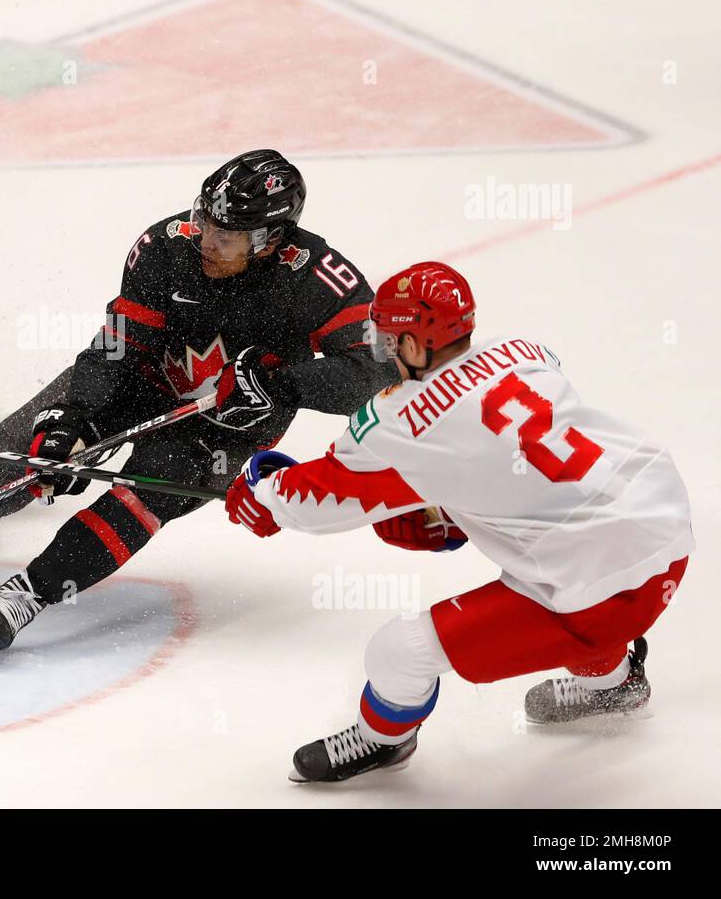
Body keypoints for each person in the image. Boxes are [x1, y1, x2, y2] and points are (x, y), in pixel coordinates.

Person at [0, 149, 400, 650]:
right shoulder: (164, 247)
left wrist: (280, 384)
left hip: (232, 425)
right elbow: (118, 346)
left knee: (145, 492)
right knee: (21, 451)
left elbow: (373, 374)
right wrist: (74, 416)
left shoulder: (322, 282)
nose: (205, 239)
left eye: (225, 236)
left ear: (269, 240)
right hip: (142, 378)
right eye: (204, 219)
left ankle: (32, 591)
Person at [224, 261, 693, 782]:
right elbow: (513, 450)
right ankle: (616, 684)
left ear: (414, 344)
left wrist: (260, 486)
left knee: (399, 652)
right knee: (554, 582)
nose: (385, 355)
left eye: (389, 342)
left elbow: (317, 504)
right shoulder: (527, 351)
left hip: (600, 586)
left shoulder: (397, 423)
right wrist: (458, 505)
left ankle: (384, 741)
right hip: (662, 519)